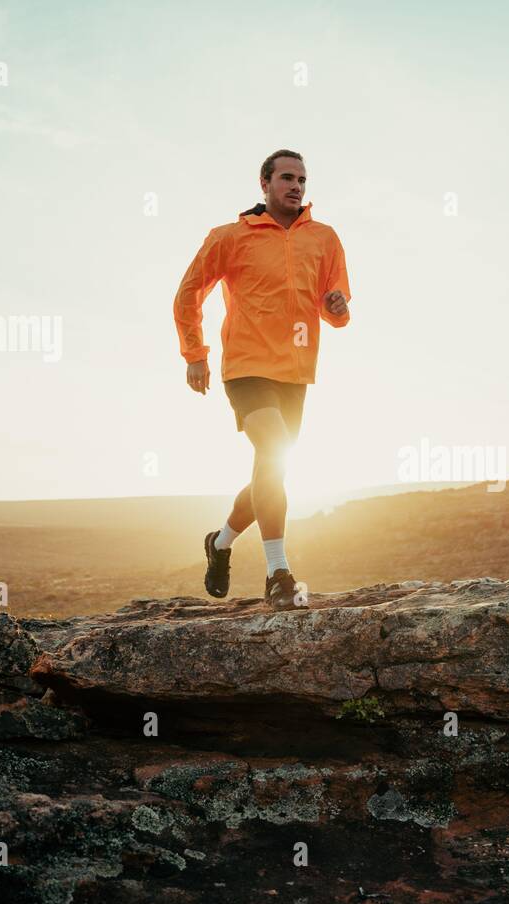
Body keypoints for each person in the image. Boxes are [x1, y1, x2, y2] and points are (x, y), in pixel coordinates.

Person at [173, 148, 351, 610]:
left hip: (295, 372)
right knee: (274, 453)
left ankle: (221, 541)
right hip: (248, 367)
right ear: (265, 184)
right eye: (288, 178)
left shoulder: (325, 238)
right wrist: (195, 353)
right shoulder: (231, 237)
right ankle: (278, 573)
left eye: (303, 180)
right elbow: (189, 291)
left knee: (272, 470)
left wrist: (336, 307)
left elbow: (338, 307)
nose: (297, 187)